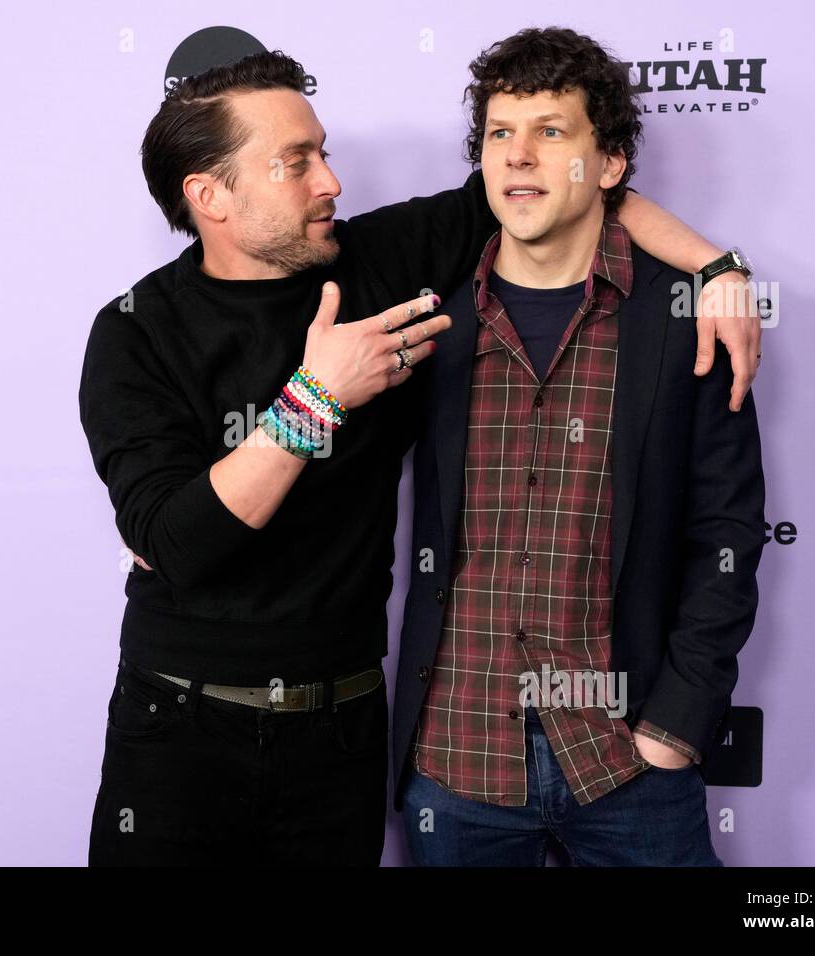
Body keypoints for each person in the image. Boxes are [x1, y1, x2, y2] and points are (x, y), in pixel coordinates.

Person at [79, 48, 760, 865]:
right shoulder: (135, 331)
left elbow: (559, 187)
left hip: (344, 734)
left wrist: (716, 266)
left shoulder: (379, 264)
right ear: (210, 194)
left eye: (323, 151)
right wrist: (315, 396)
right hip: (183, 728)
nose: (331, 180)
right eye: (296, 163)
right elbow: (177, 543)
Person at [393, 27, 766, 866]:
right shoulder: (429, 323)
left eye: (551, 132)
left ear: (610, 164)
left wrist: (676, 725)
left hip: (626, 763)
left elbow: (728, 532)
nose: (519, 156)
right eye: (500, 134)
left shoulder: (684, 320)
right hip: (456, 768)